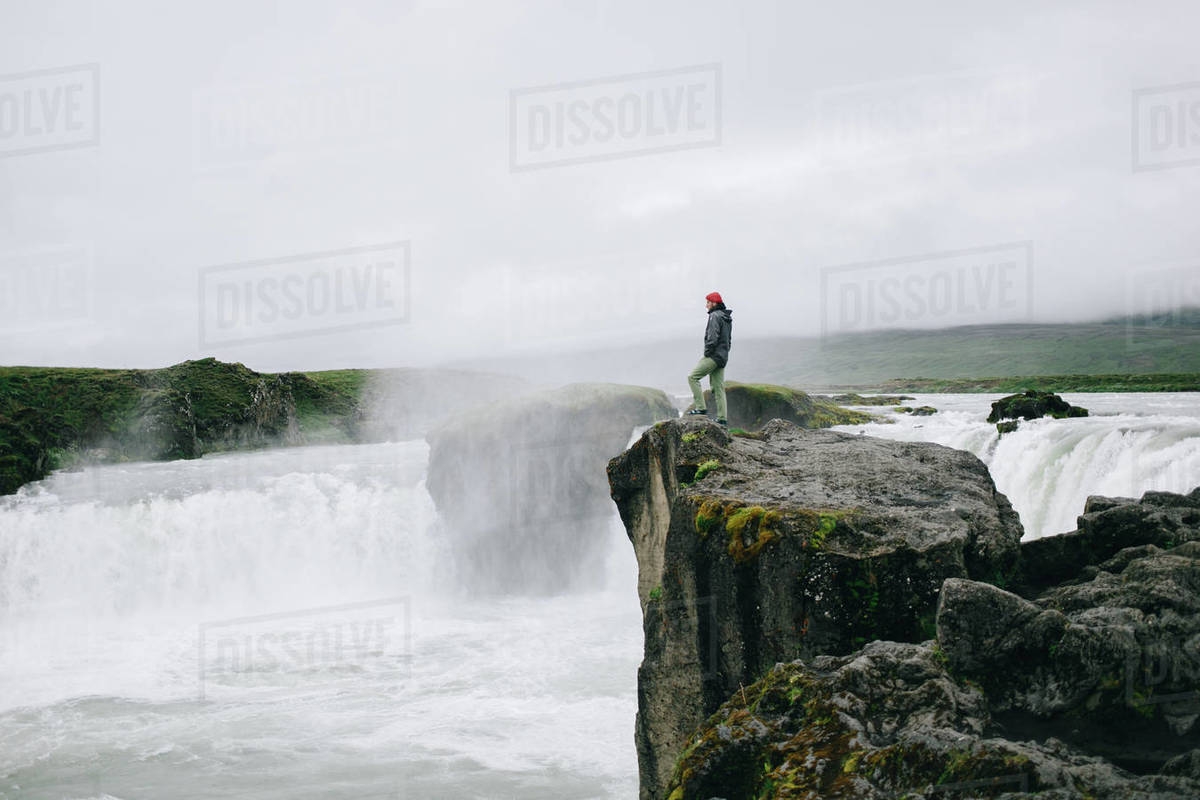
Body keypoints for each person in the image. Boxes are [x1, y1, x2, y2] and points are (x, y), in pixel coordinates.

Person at [686, 291, 732, 426]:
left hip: (714, 356)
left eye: (707, 302)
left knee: (692, 377)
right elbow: (728, 340)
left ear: (714, 303)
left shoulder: (714, 316)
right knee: (719, 388)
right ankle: (722, 419)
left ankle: (701, 409)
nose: (706, 305)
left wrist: (707, 352)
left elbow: (712, 337)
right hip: (723, 357)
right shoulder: (726, 317)